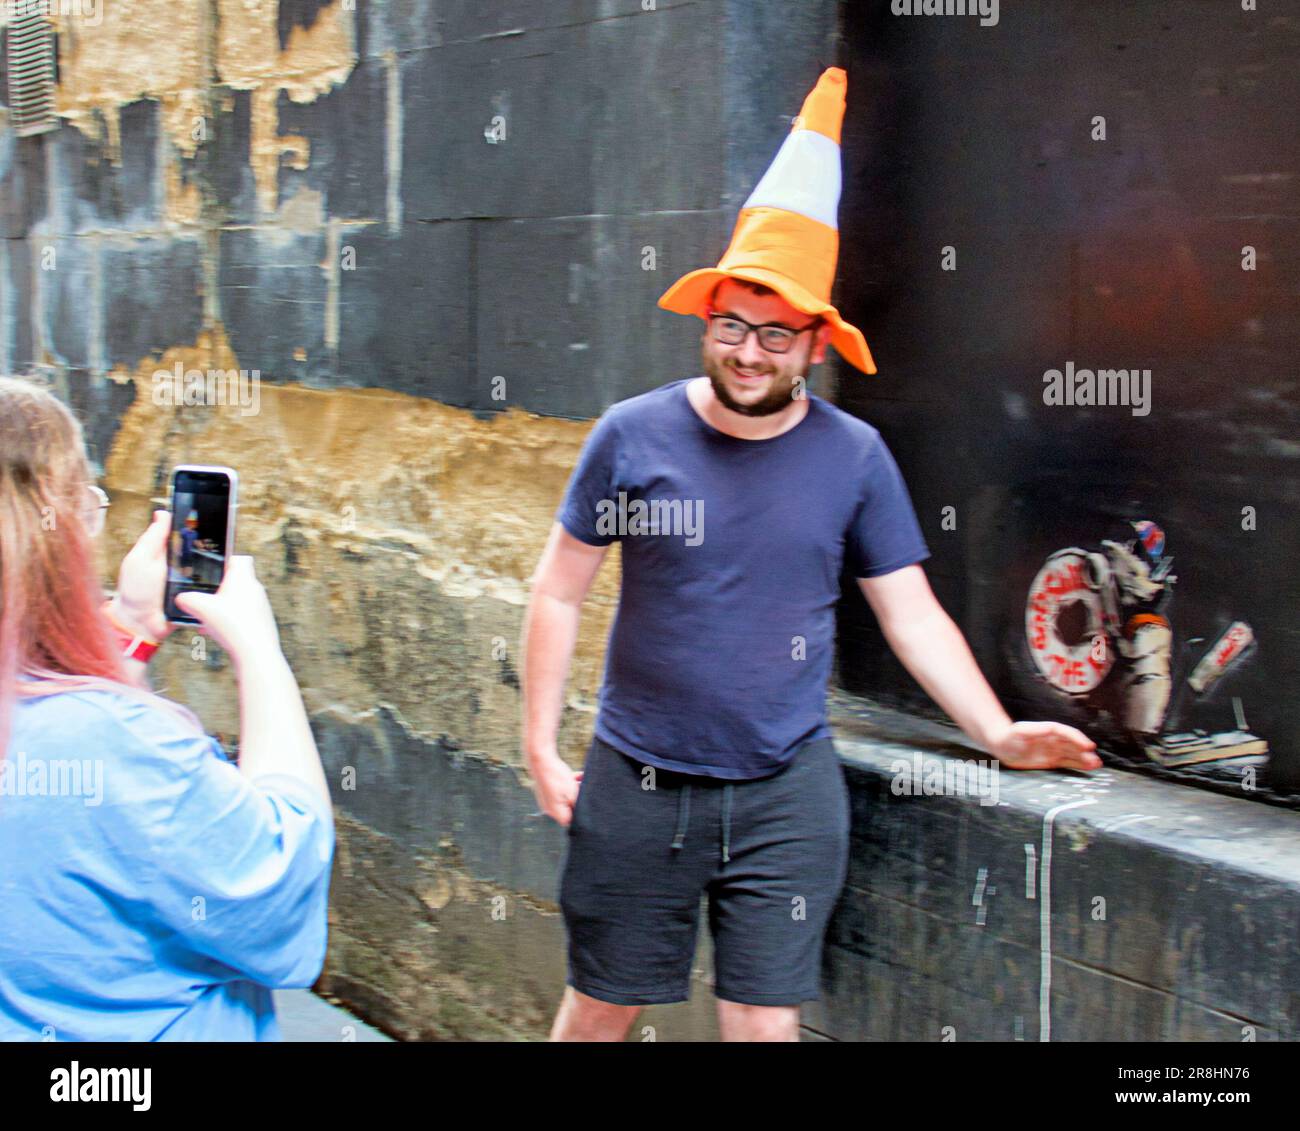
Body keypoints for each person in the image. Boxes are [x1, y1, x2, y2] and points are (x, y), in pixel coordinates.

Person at [520, 68, 1100, 1043]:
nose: (749, 353)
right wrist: (539, 747)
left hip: (785, 790)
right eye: (733, 325)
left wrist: (998, 734)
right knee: (600, 1008)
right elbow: (558, 594)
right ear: (709, 319)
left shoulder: (853, 458)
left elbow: (909, 614)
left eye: (776, 335)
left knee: (763, 1025)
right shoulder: (630, 438)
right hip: (636, 775)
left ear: (815, 344)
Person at [0, 375, 334, 1041]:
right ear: (55, 526)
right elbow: (281, 881)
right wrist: (260, 652)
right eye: (88, 506)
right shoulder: (120, 740)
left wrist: (131, 626)